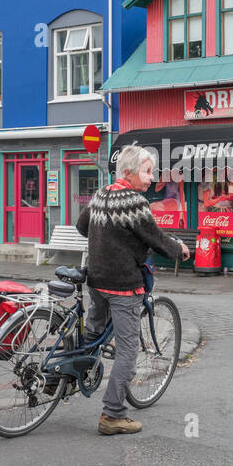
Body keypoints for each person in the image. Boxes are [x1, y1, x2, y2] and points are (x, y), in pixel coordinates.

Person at [76, 144, 190, 436]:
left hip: (96, 281)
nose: (151, 177)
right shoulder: (135, 203)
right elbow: (157, 239)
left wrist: (109, 236)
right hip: (123, 286)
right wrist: (180, 251)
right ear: (128, 172)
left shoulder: (101, 194)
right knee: (128, 350)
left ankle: (65, 377)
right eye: (147, 171)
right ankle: (113, 414)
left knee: (92, 335)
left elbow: (81, 225)